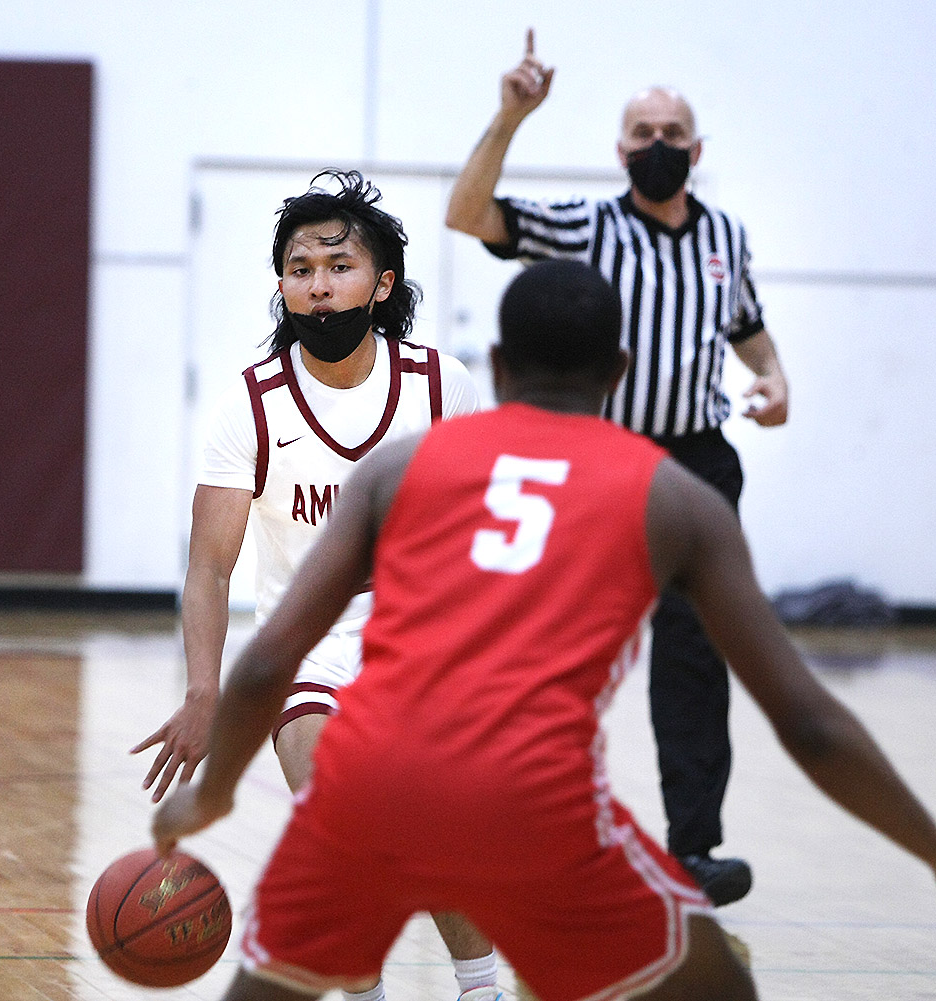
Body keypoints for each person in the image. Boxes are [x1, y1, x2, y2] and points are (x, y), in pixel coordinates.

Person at [152, 259, 936, 1001]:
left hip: (365, 786)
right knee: (720, 986)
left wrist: (211, 796)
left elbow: (265, 666)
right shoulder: (675, 496)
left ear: (496, 367)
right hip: (536, 798)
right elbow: (811, 723)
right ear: (618, 372)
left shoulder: (399, 468)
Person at [130, 170, 500, 1001]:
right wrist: (202, 689)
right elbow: (210, 568)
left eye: (338, 264)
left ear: (383, 283)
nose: (319, 283)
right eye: (300, 269)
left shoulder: (443, 388)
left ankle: (482, 989)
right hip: (308, 650)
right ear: (284, 288)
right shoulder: (252, 406)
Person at [444, 29, 791, 906]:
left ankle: (692, 849)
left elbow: (746, 328)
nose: (660, 146)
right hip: (598, 461)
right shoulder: (586, 225)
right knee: (552, 642)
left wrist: (774, 375)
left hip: (697, 468)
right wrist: (510, 115)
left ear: (697, 150)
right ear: (620, 149)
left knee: (696, 652)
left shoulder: (726, 239)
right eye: (644, 132)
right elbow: (467, 213)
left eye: (674, 133)